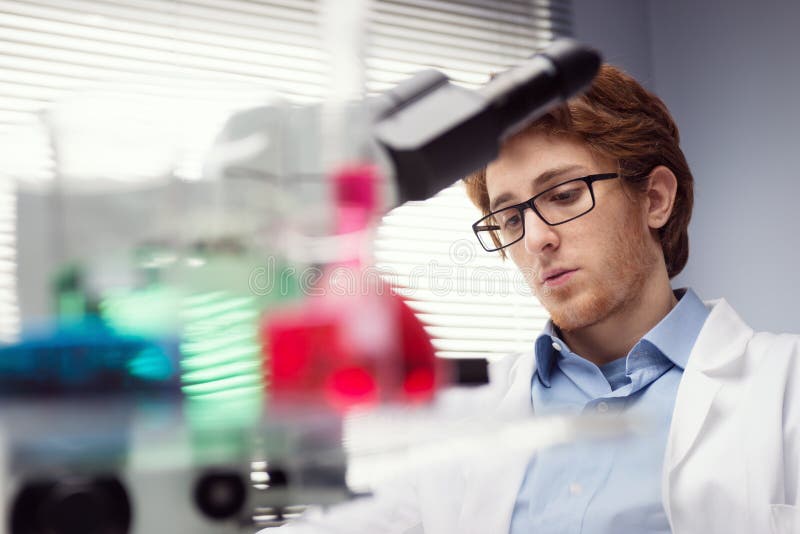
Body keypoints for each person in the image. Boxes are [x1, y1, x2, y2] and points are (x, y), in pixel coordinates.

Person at [269, 65, 800, 534]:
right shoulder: (460, 417)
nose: (535, 239)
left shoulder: (784, 389)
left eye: (565, 195)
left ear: (655, 199)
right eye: (511, 217)